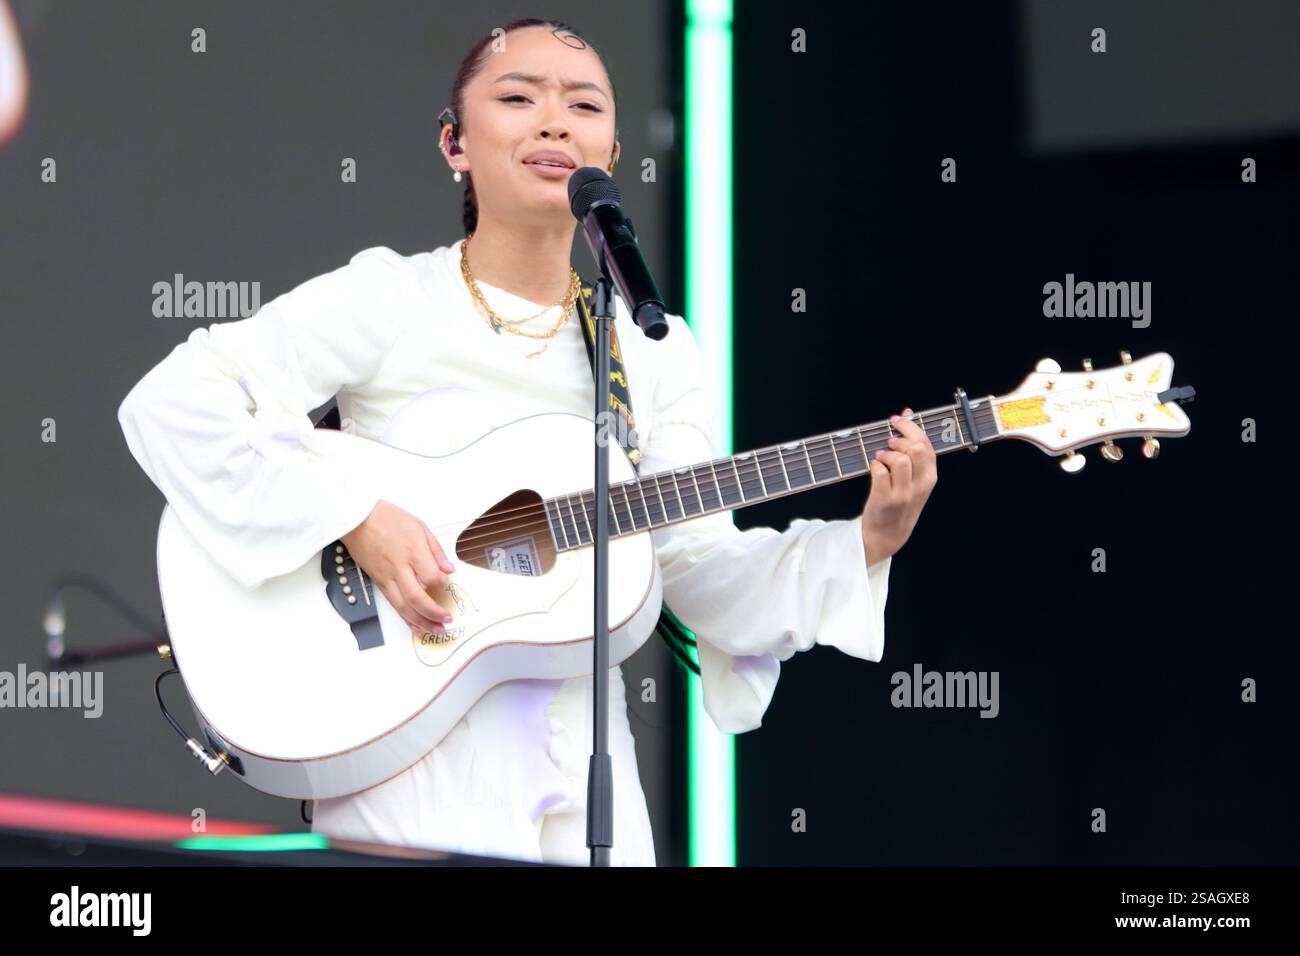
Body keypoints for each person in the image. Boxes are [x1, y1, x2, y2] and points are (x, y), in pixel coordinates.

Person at [117, 18, 937, 866]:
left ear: (611, 155)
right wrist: (353, 511)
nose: (554, 122)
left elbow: (692, 565)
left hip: (588, 758)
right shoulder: (393, 298)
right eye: (517, 98)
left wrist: (865, 542)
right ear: (454, 144)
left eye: (583, 105)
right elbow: (176, 401)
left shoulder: (650, 347)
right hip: (410, 742)